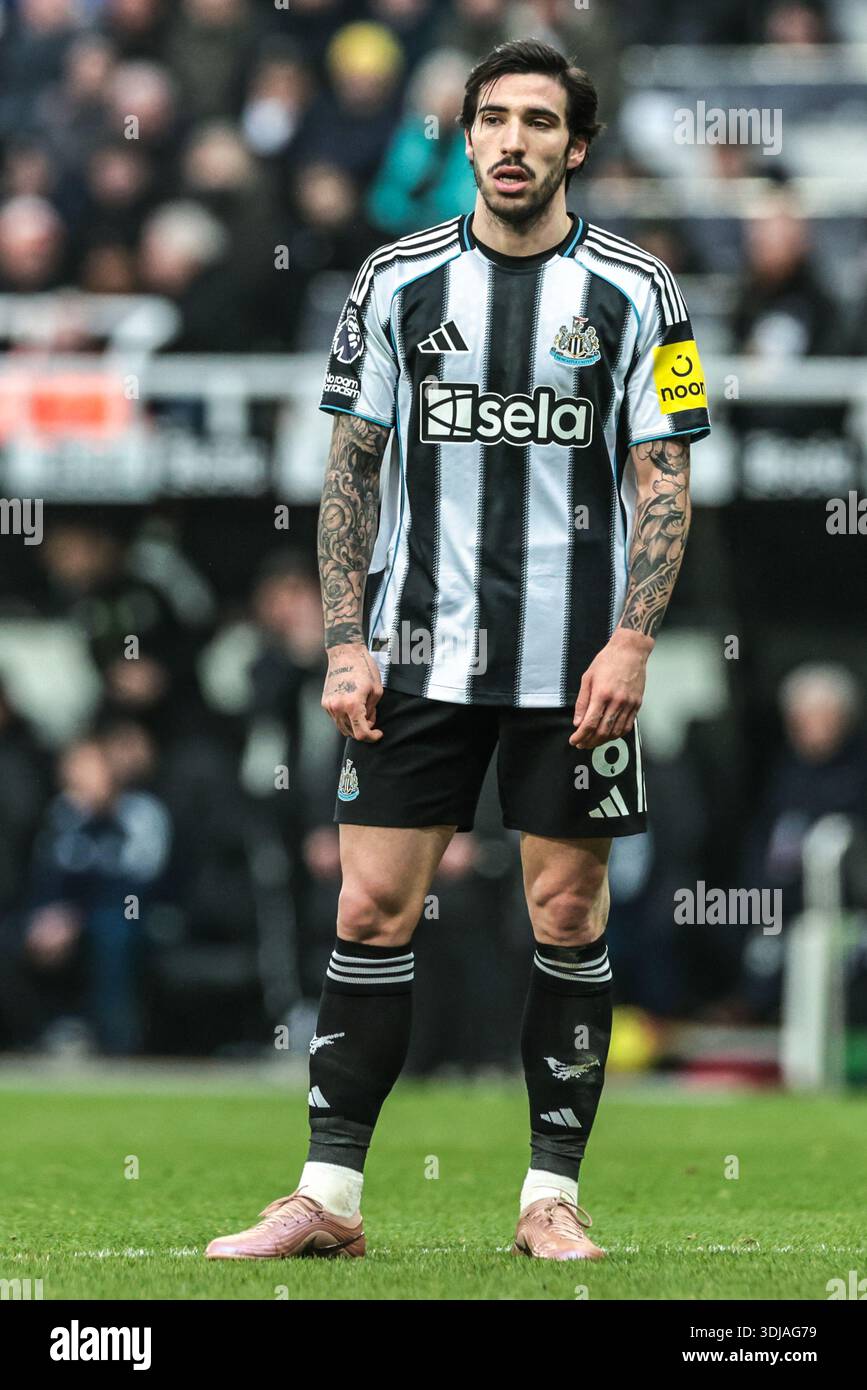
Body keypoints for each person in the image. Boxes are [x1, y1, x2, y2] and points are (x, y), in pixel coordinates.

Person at [206, 38, 711, 1263]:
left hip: (574, 664)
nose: (513, 141)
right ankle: (327, 1196)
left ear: (576, 145)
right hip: (413, 653)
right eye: (493, 118)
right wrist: (341, 640)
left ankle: (550, 1197)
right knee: (372, 906)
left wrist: (634, 640)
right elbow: (349, 472)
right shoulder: (393, 280)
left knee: (565, 908)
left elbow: (667, 477)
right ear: (468, 135)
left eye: (541, 121)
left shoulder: (642, 292)